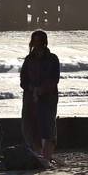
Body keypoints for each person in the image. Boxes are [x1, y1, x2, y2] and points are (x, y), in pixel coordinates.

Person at [20, 30, 60, 166]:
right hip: (30, 98)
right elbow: (23, 80)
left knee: (47, 127)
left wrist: (42, 90)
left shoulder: (53, 59)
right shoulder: (28, 59)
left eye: (39, 41)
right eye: (35, 41)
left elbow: (55, 79)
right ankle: (38, 156)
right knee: (30, 126)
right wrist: (32, 89)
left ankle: (47, 157)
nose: (37, 44)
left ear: (44, 42)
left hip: (48, 98)